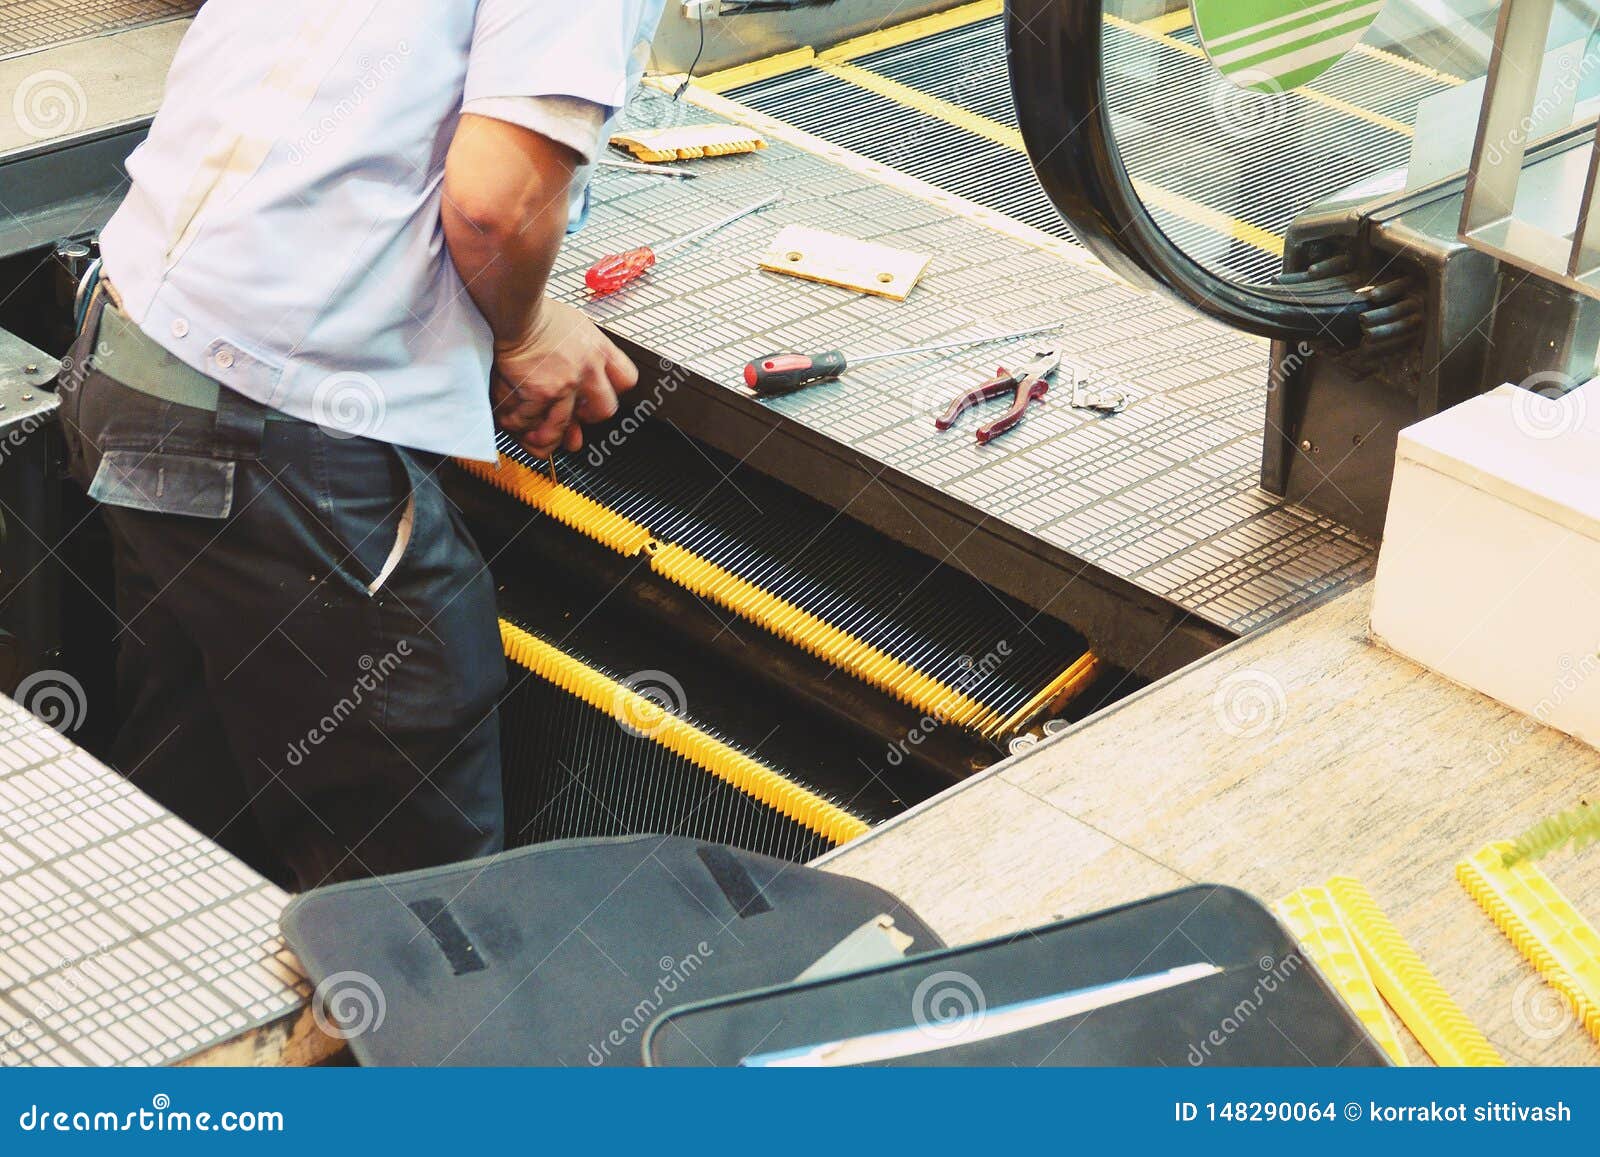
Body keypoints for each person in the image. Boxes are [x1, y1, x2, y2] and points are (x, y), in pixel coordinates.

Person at [58, 1, 666, 891]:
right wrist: (527, 331)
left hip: (131, 347)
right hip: (263, 411)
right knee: (414, 878)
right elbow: (496, 205)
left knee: (192, 817)